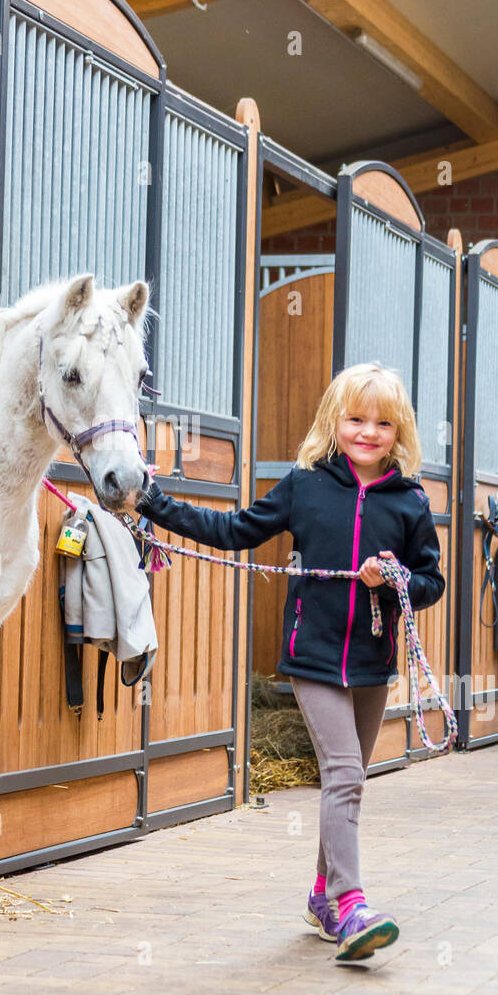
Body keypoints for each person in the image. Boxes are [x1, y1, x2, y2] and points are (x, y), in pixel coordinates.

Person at [132, 361, 445, 962]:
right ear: (335, 420)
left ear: (398, 430)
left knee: (346, 779)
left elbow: (430, 582)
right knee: (346, 772)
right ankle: (353, 907)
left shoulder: (409, 501)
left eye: (381, 422)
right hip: (315, 655)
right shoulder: (305, 485)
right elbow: (234, 529)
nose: (367, 432)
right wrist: (153, 504)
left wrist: (396, 577)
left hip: (373, 662)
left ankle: (323, 894)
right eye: (356, 418)